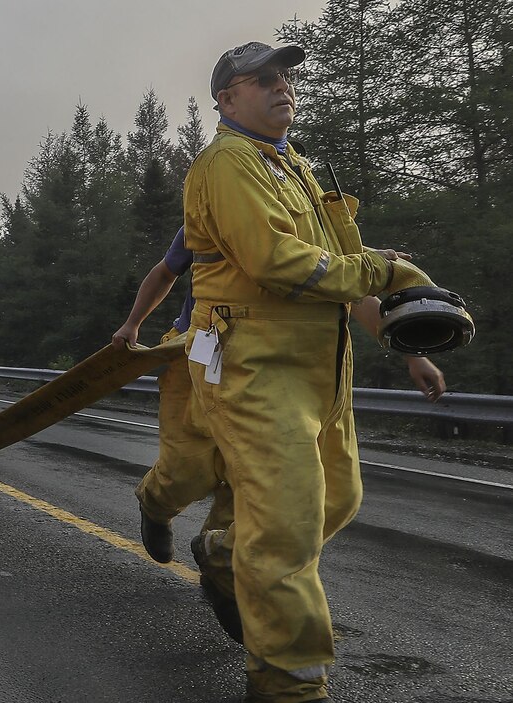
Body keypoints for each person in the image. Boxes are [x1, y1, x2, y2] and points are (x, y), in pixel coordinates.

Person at [181, 40, 429, 703]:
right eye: (261, 80)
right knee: (287, 525)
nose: (281, 87)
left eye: (286, 77)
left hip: (324, 364)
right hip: (253, 365)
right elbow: (277, 263)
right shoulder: (226, 165)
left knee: (337, 498)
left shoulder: (298, 167)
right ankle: (289, 680)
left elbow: (347, 276)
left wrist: (406, 346)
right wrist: (379, 265)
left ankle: (229, 552)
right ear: (228, 99)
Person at [113, 229, 447, 567]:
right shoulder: (216, 208)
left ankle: (226, 561)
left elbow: (353, 293)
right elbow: (165, 271)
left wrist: (412, 354)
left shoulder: (315, 223)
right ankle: (156, 504)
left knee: (252, 474)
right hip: (199, 353)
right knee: (188, 469)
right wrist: (132, 323)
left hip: (270, 367)